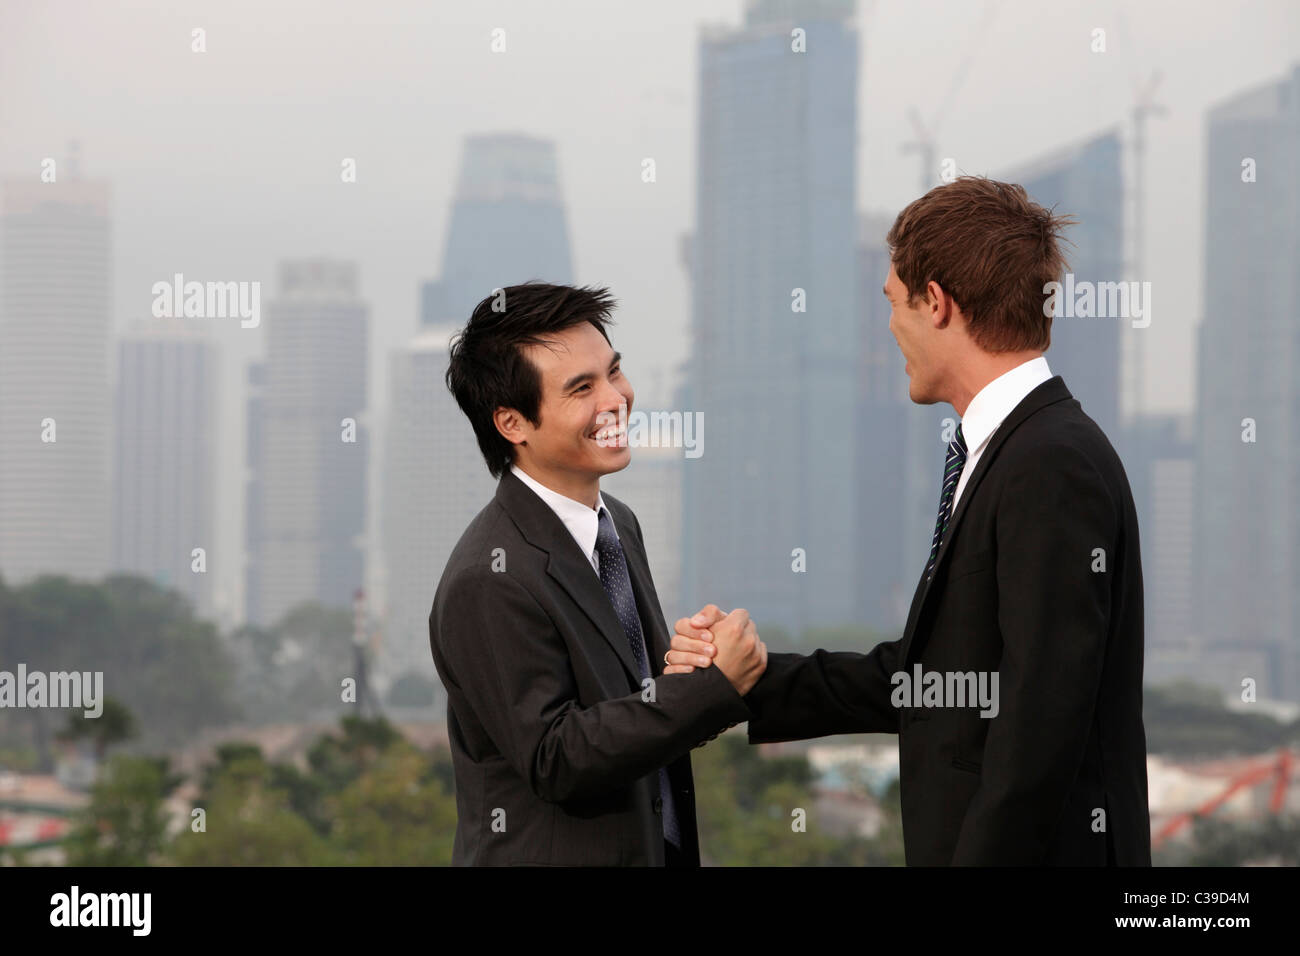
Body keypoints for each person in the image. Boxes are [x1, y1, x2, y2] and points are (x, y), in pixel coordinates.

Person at [668, 177, 1151, 866]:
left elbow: (1038, 728)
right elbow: (932, 676)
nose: (888, 326)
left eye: (893, 303)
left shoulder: (1049, 465)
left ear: (937, 303)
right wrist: (750, 677)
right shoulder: (1012, 452)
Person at [430, 281, 766, 866]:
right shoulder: (490, 576)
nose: (615, 400)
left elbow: (634, 700)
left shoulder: (618, 525)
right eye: (581, 389)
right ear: (513, 423)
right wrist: (709, 688)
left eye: (614, 373)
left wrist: (694, 662)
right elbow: (556, 757)